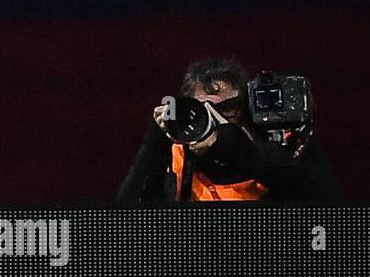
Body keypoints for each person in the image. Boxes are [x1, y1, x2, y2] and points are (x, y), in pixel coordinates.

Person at [116, 57, 340, 205]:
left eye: (226, 109)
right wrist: (153, 145)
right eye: (204, 110)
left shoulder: (273, 145)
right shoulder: (175, 156)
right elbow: (126, 219)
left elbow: (324, 200)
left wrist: (232, 146)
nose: (215, 119)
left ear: (244, 109)